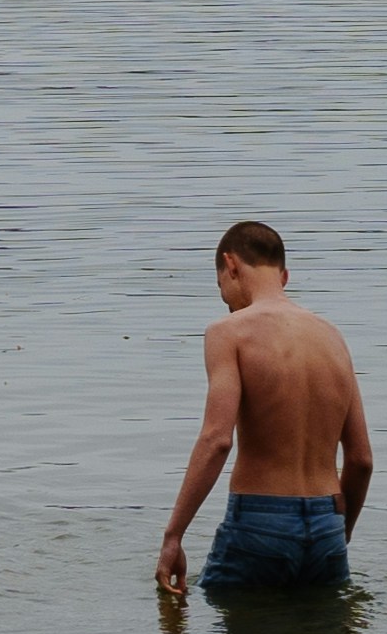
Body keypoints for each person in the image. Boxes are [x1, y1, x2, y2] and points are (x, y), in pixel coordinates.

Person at [157, 221, 373, 595]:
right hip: (327, 525)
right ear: (284, 275)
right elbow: (361, 460)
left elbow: (217, 440)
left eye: (221, 285)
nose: (224, 298)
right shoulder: (333, 338)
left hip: (259, 522)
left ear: (231, 265)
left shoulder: (228, 332)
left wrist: (173, 536)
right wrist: (338, 533)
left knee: (187, 617)